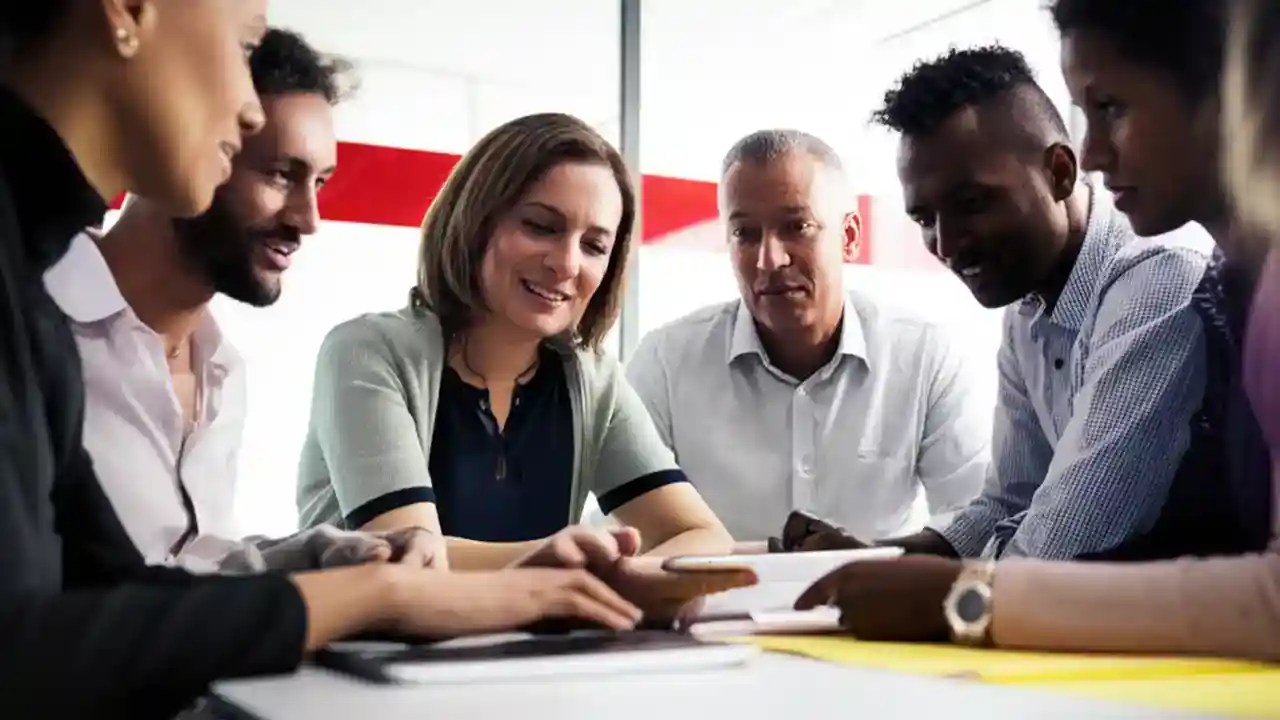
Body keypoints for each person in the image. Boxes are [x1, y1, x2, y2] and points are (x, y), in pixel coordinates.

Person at [0, 4, 680, 716]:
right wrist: (384, 592)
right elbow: (21, 643)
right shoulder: (35, 295)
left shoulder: (213, 361)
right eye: (241, 47)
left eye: (597, 244)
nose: (310, 218)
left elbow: (130, 581)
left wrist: (332, 563)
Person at [795, 0, 1280, 662]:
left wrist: (954, 600)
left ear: (1224, 91)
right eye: (924, 217)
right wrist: (887, 563)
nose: (1093, 153)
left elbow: (1062, 542)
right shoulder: (1034, 306)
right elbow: (1009, 501)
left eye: (1112, 107)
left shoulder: (1168, 277)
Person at [42, 27, 437, 573]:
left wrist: (316, 554)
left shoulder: (220, 366)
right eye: (280, 174)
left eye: (319, 183)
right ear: (195, 145)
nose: (308, 219)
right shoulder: (38, 320)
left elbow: (182, 568)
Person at [296, 112, 738, 578]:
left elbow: (704, 537)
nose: (566, 263)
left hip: (534, 648)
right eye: (541, 227)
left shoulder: (592, 377)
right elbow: (411, 562)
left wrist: (608, 574)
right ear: (476, 221)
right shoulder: (367, 352)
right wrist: (577, 564)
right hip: (375, 648)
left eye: (593, 246)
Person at [626, 129, 988, 543]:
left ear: (849, 237)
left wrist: (863, 560)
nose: (770, 259)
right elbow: (629, 534)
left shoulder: (924, 357)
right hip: (711, 605)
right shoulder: (665, 363)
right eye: (745, 233)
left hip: (872, 605)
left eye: (797, 226)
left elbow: (974, 518)